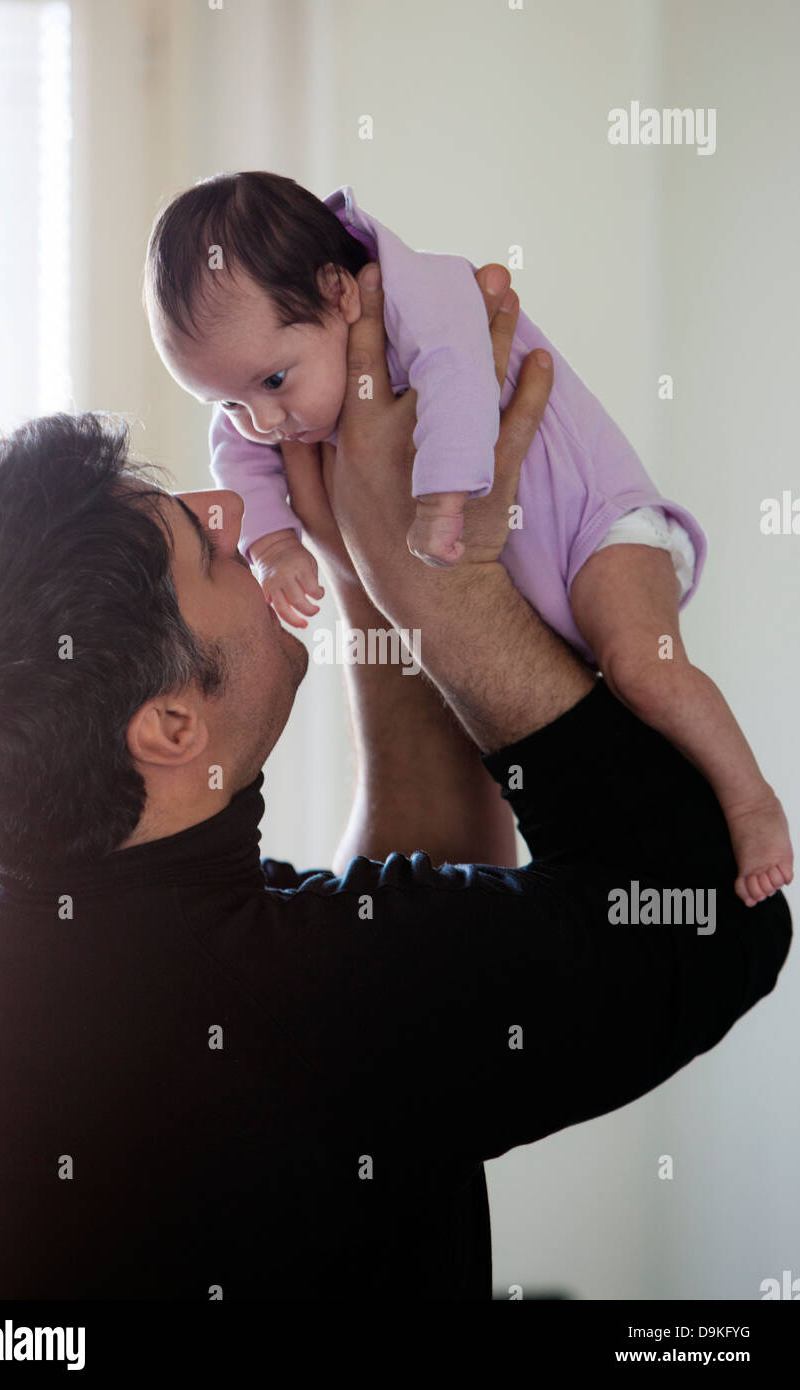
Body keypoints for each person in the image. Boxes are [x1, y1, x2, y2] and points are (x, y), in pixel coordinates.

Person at [0, 267, 790, 1300]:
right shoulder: (293, 1002)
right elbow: (705, 912)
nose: (221, 506)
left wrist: (366, 566)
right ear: (169, 725)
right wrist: (450, 590)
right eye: (201, 548)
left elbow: (399, 927)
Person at [143, 171, 793, 908]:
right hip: (509, 579)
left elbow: (457, 376)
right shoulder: (271, 388)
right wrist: (277, 549)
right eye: (228, 401)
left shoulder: (429, 290)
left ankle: (751, 802)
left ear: (338, 292)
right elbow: (238, 458)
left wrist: (441, 498)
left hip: (600, 530)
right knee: (613, 723)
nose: (262, 420)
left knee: (643, 673)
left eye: (273, 382)